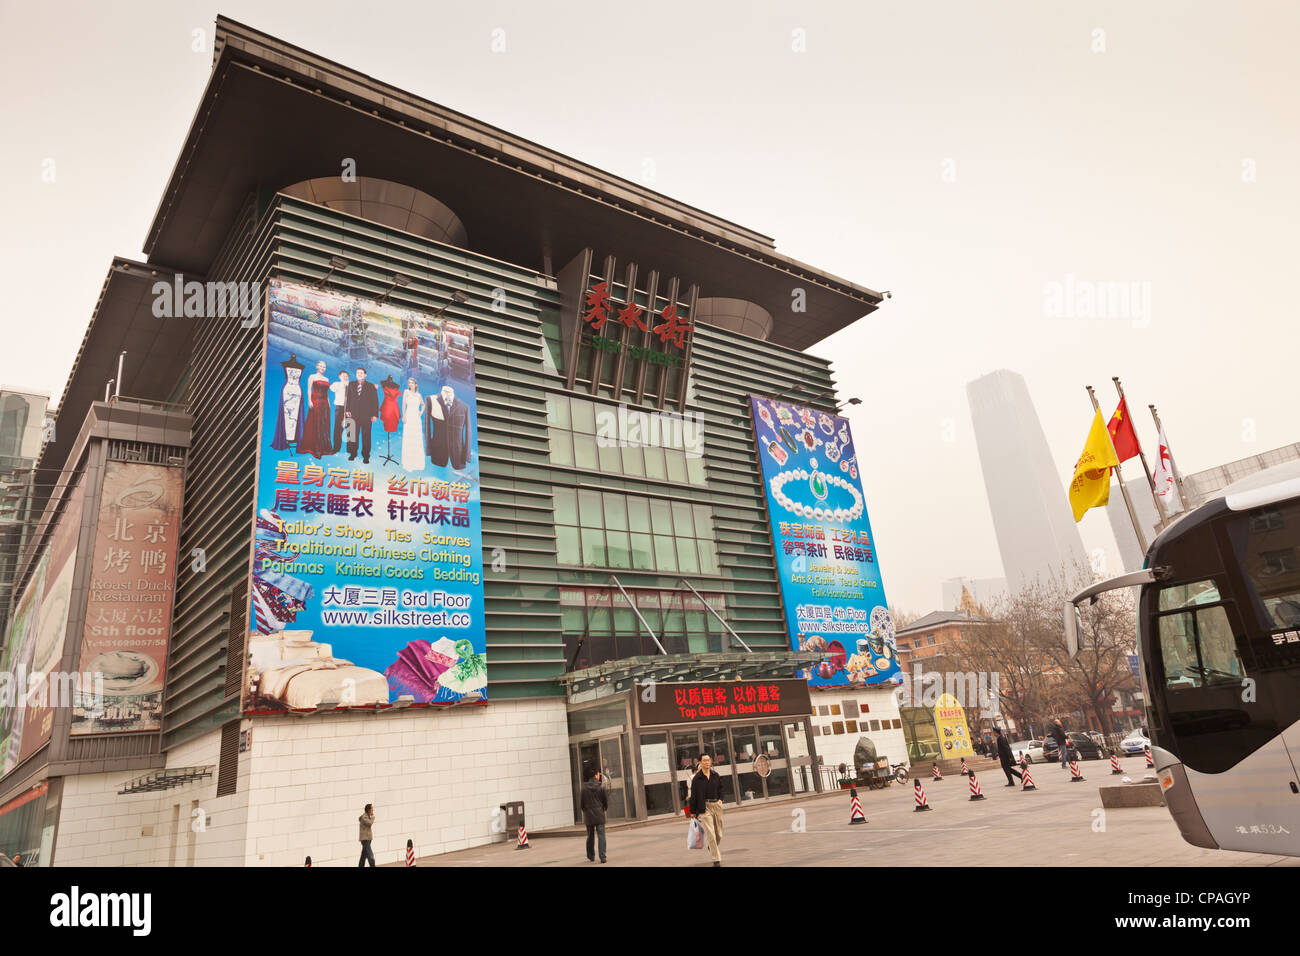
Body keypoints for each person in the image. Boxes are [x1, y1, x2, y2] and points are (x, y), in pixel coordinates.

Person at [689, 752, 725, 867]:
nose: (707, 762)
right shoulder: (696, 779)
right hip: (705, 808)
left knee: (719, 834)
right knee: (711, 834)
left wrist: (721, 800)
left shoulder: (715, 775)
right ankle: (716, 859)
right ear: (700, 763)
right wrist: (693, 812)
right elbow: (693, 796)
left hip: (716, 806)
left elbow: (721, 788)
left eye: (708, 760)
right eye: (704, 760)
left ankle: (712, 846)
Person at [581, 768, 608, 863]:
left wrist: (586, 811)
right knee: (601, 835)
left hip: (589, 815)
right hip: (599, 814)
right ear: (596, 776)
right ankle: (602, 857)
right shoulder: (601, 787)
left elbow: (582, 804)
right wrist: (603, 808)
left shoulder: (584, 788)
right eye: (598, 774)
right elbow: (605, 801)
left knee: (590, 835)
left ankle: (591, 856)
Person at [358, 803, 376, 867]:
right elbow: (369, 823)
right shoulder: (364, 817)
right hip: (365, 839)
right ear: (368, 810)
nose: (373, 810)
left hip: (368, 838)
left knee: (364, 855)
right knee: (370, 855)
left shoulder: (368, 816)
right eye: (372, 809)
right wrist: (373, 817)